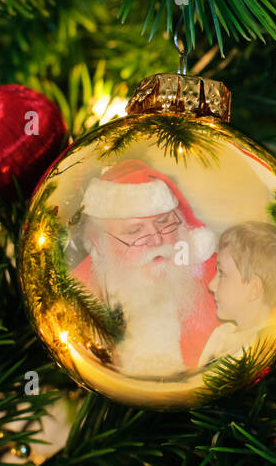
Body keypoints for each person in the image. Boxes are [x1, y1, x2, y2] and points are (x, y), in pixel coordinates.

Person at [71, 159, 218, 376]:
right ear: (97, 241)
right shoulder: (76, 293)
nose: (157, 240)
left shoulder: (218, 274)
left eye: (163, 222)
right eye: (134, 231)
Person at [200, 221, 276, 365]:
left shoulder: (263, 347)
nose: (211, 285)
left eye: (222, 273)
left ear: (254, 289)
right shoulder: (221, 333)